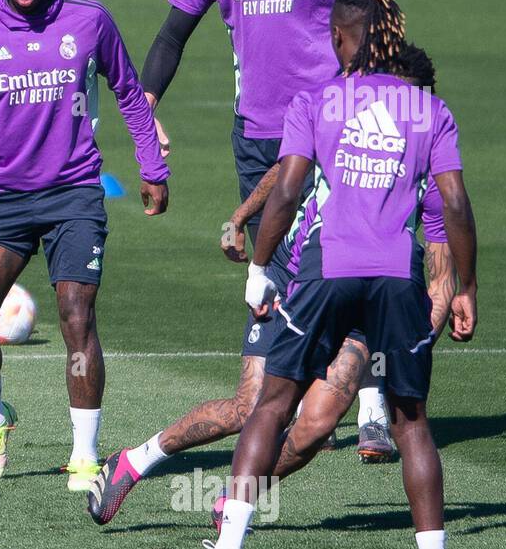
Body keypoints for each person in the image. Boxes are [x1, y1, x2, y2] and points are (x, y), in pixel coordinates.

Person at [177, 0, 477, 549]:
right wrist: (465, 286)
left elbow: (286, 191)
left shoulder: (319, 100)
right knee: (412, 423)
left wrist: (261, 266)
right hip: (396, 279)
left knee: (271, 406)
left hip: (325, 272)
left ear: (342, 35)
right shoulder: (430, 110)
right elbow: (453, 205)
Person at [138, 0, 395, 459]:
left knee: (350, 253)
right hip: (256, 136)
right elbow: (173, 35)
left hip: (333, 129)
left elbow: (373, 17)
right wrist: (145, 108)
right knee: (283, 270)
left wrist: (375, 98)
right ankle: (296, 397)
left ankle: (371, 402)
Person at [0, 0, 170, 493]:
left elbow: (130, 93)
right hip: (4, 197)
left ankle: (84, 456)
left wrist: (152, 168)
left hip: (75, 195)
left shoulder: (89, 19)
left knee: (76, 320)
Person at [88, 185, 454, 525]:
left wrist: (415, 347)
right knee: (249, 407)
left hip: (361, 291)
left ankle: (237, 497)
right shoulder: (335, 121)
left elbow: (442, 276)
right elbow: (285, 173)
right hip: (291, 273)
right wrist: (256, 262)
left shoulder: (427, 156)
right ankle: (136, 461)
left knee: (317, 426)